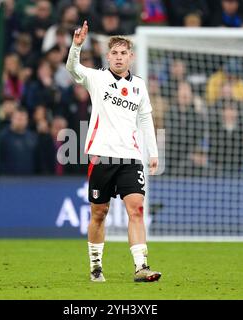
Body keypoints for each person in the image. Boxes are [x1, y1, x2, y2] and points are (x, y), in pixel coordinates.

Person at [66, 21, 161, 283]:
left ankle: (141, 267)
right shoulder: (97, 78)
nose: (119, 57)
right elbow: (72, 69)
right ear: (108, 57)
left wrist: (152, 152)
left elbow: (145, 120)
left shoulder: (139, 86)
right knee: (99, 213)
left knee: (137, 210)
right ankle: (96, 266)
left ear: (131, 57)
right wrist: (77, 45)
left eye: (124, 53)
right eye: (115, 53)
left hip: (130, 158)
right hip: (101, 156)